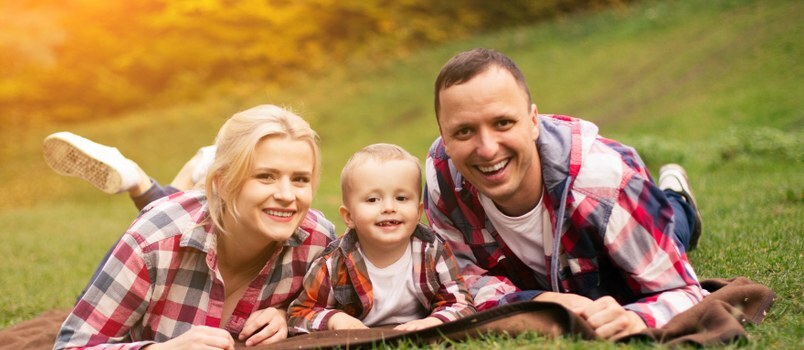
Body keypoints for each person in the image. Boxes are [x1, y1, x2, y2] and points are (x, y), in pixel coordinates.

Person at [423, 48, 706, 340]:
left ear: (533, 121)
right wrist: (542, 301)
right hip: (555, 265)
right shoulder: (440, 177)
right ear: (445, 137)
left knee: (672, 232)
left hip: (627, 211)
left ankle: (677, 197)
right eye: (464, 131)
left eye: (503, 123)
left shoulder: (605, 184)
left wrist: (638, 318)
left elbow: (682, 290)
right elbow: (462, 278)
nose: (487, 148)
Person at [53, 104, 336, 349]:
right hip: (172, 227)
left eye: (300, 179)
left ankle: (184, 172)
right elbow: (73, 345)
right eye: (266, 176)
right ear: (222, 184)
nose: (288, 195)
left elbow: (347, 309)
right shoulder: (154, 241)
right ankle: (156, 182)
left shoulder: (317, 240)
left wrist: (288, 313)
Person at [287, 143, 475, 334]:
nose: (388, 207)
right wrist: (334, 319)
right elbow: (298, 315)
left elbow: (461, 302)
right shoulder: (334, 263)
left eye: (401, 198)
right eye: (372, 200)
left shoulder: (432, 250)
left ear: (418, 212)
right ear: (349, 217)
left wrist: (434, 321)